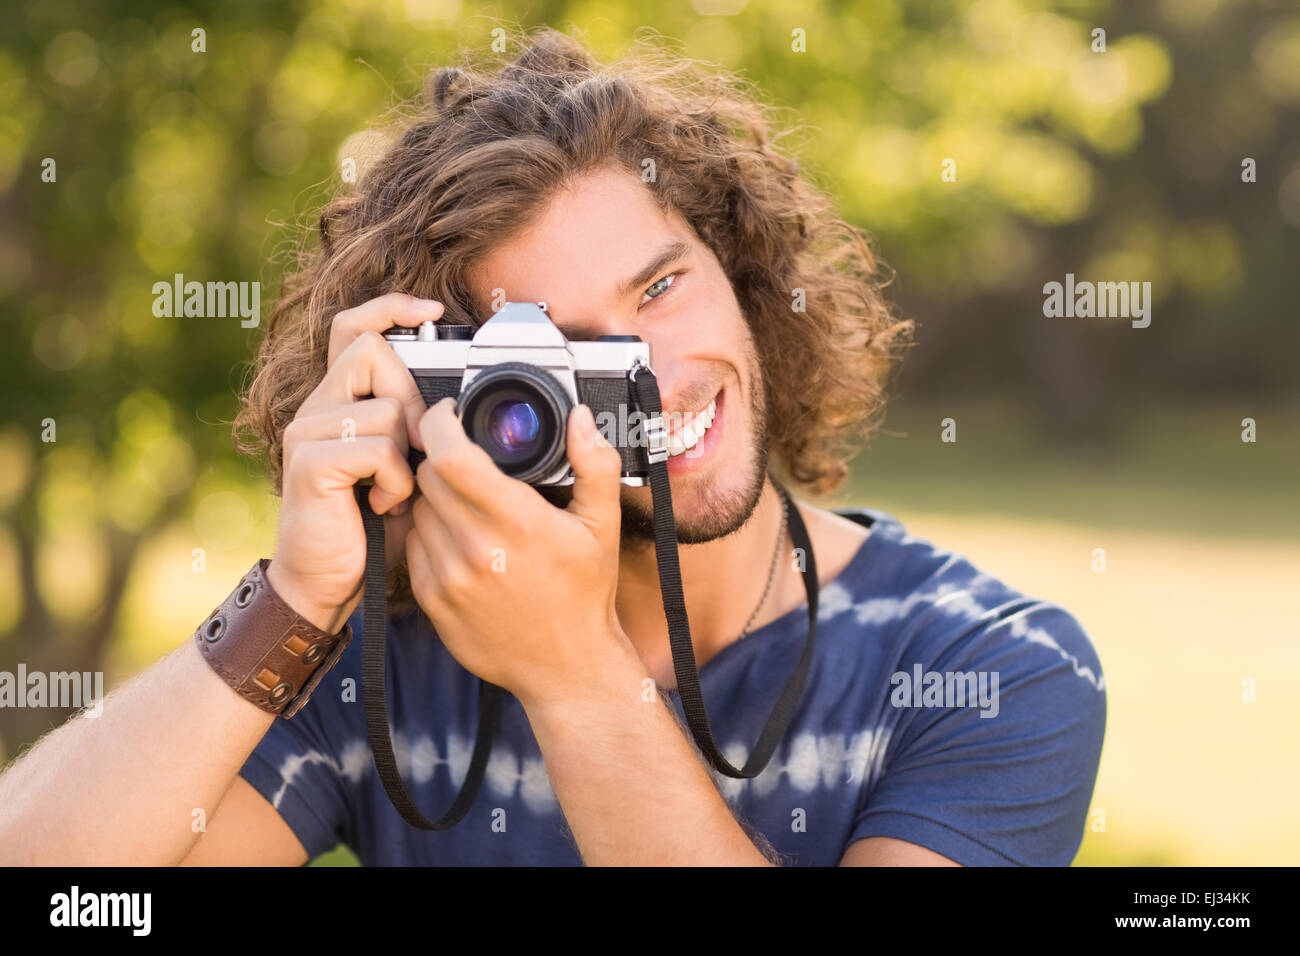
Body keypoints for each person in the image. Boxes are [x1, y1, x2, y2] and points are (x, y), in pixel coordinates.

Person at [0, 27, 1104, 866]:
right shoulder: (382, 662)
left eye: (661, 286)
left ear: (749, 281)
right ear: (439, 398)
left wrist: (571, 674)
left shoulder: (988, 667)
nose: (645, 369)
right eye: (559, 350)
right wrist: (295, 597)